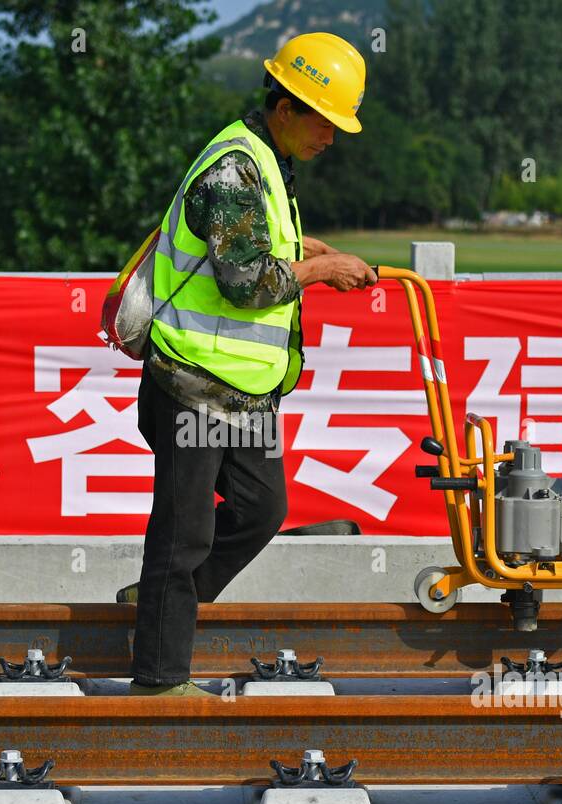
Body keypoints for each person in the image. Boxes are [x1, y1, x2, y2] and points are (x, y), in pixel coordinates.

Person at [129, 33, 378, 697]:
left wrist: (303, 246)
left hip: (243, 394)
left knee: (263, 510)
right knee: (184, 537)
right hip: (191, 387)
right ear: (289, 106)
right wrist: (321, 270)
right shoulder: (235, 168)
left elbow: (256, 246)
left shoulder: (266, 157)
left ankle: (158, 604)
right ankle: (159, 680)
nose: (333, 138)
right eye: (327, 122)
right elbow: (244, 282)